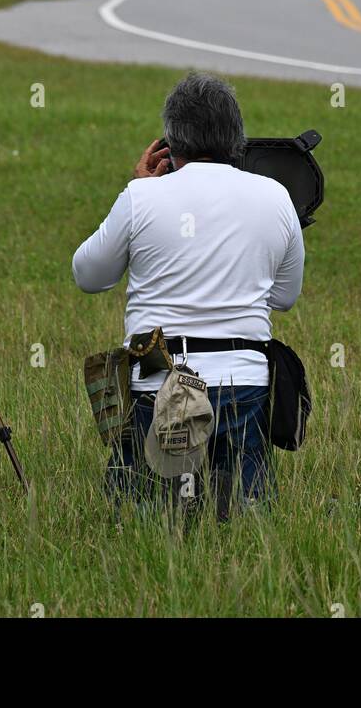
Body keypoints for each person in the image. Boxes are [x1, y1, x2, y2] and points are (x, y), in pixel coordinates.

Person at [72, 72, 305, 514]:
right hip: (246, 383)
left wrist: (140, 187)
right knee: (242, 523)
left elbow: (88, 275)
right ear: (236, 138)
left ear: (169, 142)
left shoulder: (143, 196)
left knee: (146, 521)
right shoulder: (276, 197)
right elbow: (285, 296)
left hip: (158, 382)